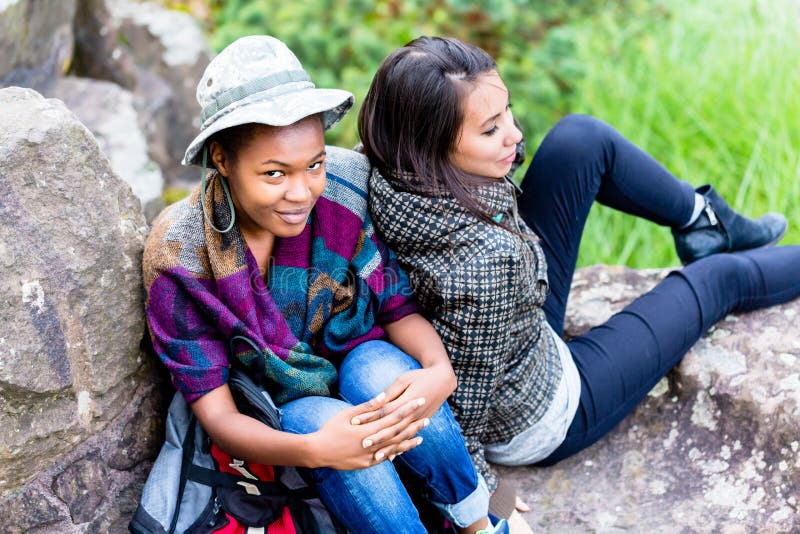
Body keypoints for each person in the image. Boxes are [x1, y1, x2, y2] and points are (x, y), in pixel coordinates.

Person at [358, 35, 800, 515]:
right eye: (490, 130)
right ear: (429, 147)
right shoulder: (482, 263)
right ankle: (714, 245)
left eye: (506, 112)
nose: (514, 134)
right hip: (542, 410)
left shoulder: (384, 160)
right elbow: (461, 408)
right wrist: (486, 497)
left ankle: (702, 220)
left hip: (514, 311)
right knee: (718, 281)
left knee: (580, 140)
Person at [142, 35, 508, 534]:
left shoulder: (344, 187)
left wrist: (439, 371)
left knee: (380, 375)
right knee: (315, 419)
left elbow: (396, 306)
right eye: (274, 173)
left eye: (312, 164)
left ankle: (476, 524)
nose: (301, 191)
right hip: (288, 412)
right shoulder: (181, 255)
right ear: (222, 160)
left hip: (362, 359)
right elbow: (220, 417)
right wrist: (315, 449)